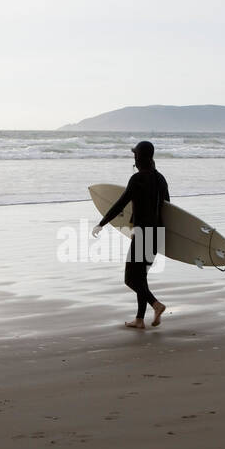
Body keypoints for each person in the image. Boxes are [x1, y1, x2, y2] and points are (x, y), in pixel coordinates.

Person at [91, 141, 169, 329]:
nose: (134, 157)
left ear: (140, 157)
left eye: (135, 154)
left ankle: (156, 304)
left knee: (130, 279)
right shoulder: (160, 179)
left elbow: (120, 203)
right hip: (157, 233)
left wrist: (102, 223)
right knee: (140, 277)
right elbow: (168, 208)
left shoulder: (137, 179)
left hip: (142, 233)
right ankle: (140, 320)